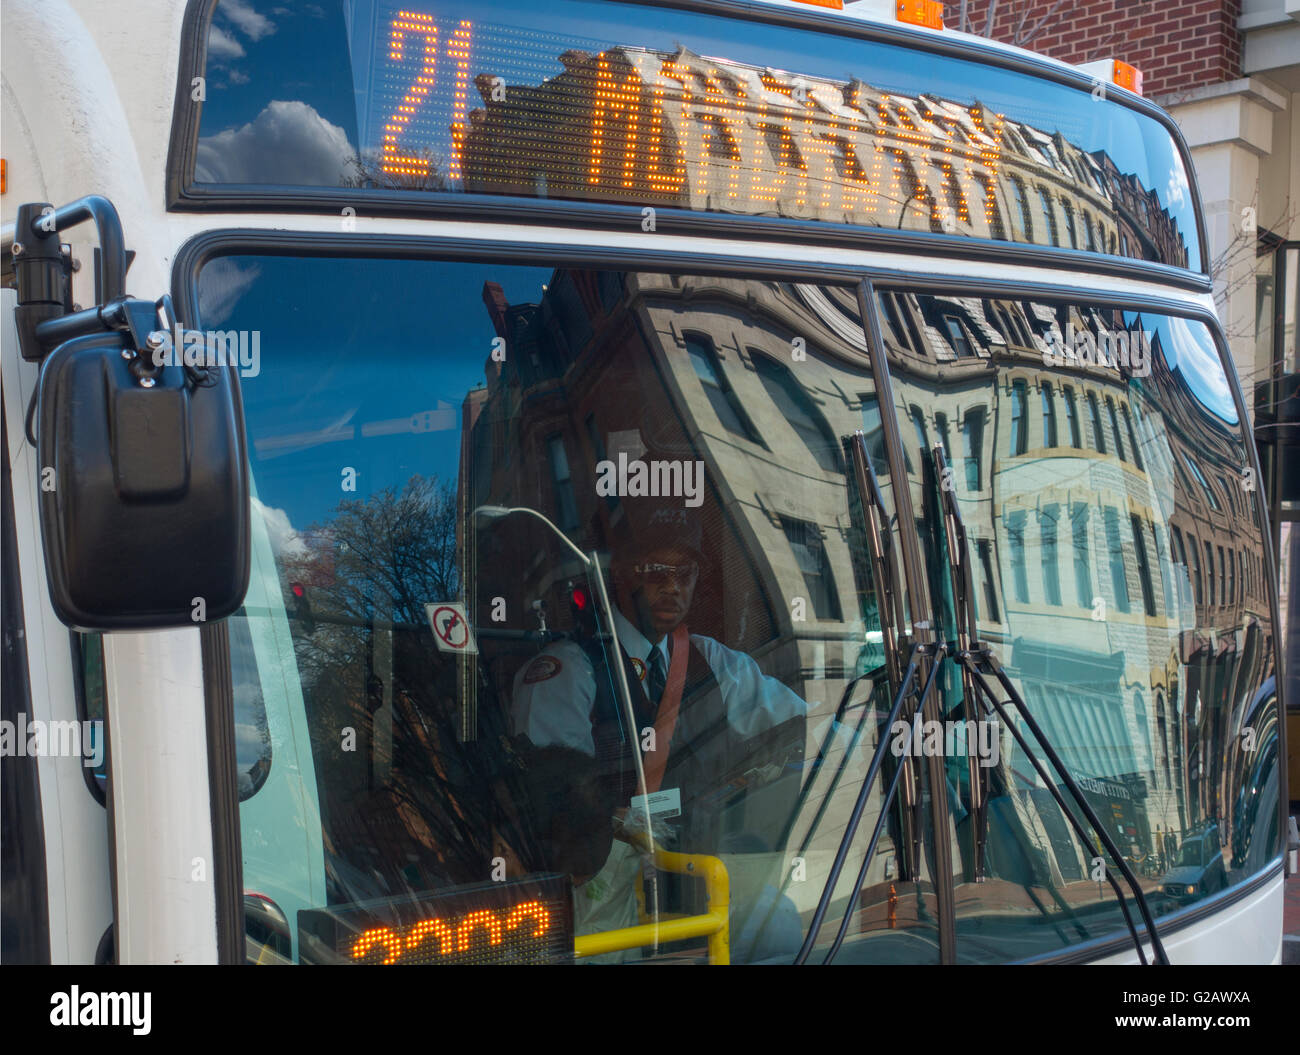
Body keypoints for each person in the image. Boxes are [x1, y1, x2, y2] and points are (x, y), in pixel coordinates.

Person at [510, 487, 807, 959]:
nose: (673, 586)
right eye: (655, 572)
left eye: (684, 572)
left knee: (786, 932)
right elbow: (559, 813)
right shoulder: (566, 674)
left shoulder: (715, 663)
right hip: (609, 898)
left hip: (702, 880)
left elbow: (806, 728)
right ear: (622, 576)